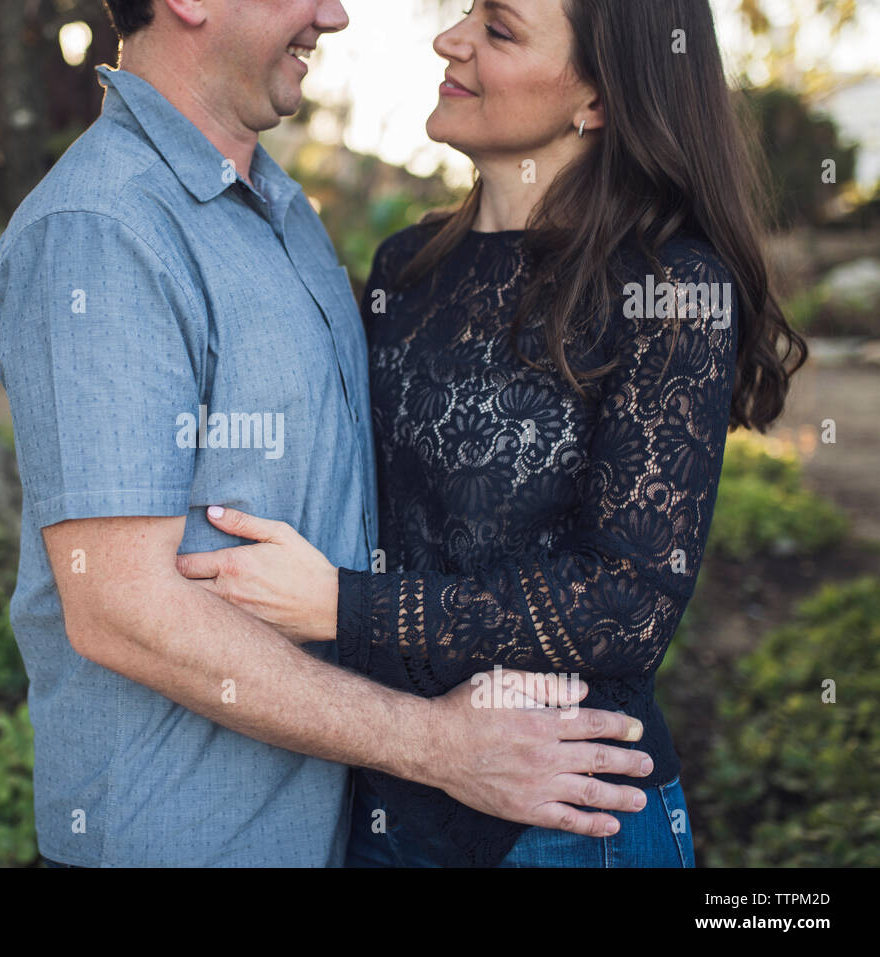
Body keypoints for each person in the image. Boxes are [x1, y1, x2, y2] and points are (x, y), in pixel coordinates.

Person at [0, 0, 654, 868]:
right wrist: (438, 745)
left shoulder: (281, 212)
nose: (333, 15)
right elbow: (120, 608)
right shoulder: (100, 229)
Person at [176, 0, 807, 866]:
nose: (451, 38)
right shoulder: (405, 265)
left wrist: (340, 604)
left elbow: (627, 603)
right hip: (383, 802)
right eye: (468, 10)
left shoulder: (670, 289)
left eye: (500, 30)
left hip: (567, 820)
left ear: (601, 100)